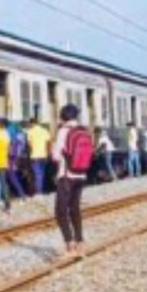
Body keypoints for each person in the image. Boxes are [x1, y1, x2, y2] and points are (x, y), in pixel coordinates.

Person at [53, 105, 89, 257]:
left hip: (66, 175)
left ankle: (70, 246)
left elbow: (55, 156)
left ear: (63, 116)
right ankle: (80, 243)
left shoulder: (63, 131)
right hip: (81, 175)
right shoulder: (84, 131)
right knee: (75, 209)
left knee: (60, 211)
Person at [27, 119, 52, 196]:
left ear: (31, 123)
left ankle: (38, 192)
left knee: (37, 174)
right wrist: (48, 153)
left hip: (34, 156)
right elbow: (48, 143)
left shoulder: (30, 131)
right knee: (42, 173)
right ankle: (41, 190)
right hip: (44, 155)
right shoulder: (45, 130)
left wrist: (30, 153)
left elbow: (29, 144)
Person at [6, 122, 28, 200]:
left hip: (12, 159)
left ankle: (21, 194)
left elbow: (11, 152)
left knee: (12, 177)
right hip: (19, 158)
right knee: (15, 176)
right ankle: (20, 193)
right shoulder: (21, 136)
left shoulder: (14, 140)